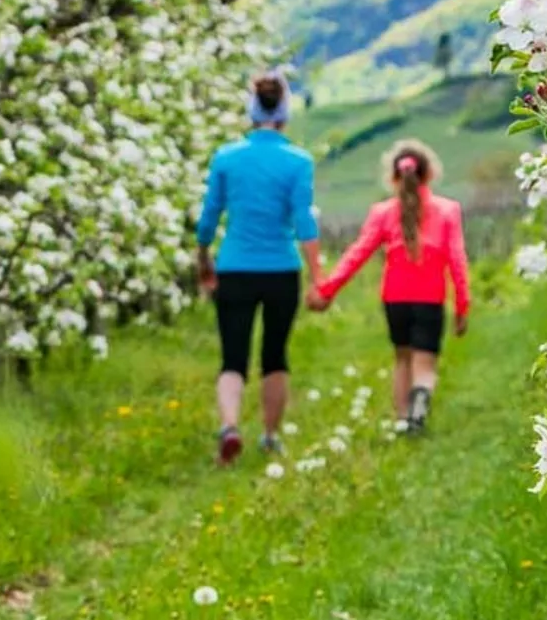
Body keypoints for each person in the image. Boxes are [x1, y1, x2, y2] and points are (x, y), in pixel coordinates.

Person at [194, 71, 323, 465]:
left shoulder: (226, 158)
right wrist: (318, 278)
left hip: (234, 267)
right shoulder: (298, 162)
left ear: (250, 111)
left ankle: (230, 426)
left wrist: (204, 260)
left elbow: (208, 217)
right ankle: (269, 436)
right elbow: (304, 221)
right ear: (284, 113)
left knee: (233, 357)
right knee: (274, 355)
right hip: (282, 269)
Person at [308, 139, 470, 433]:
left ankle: (402, 419)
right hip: (430, 298)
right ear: (429, 173)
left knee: (402, 358)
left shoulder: (382, 213)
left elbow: (357, 254)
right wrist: (462, 305)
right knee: (425, 365)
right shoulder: (448, 211)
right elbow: (457, 260)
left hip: (395, 299)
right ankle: (420, 401)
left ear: (394, 177)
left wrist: (326, 289)